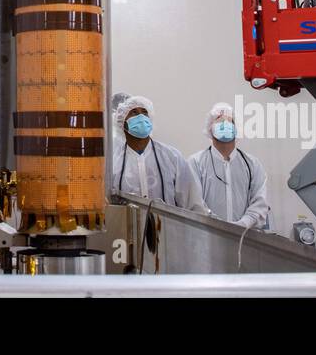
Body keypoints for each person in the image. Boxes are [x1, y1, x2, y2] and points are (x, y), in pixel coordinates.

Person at [111, 94, 206, 273]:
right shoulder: (113, 162)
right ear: (122, 123)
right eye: (134, 113)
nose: (141, 117)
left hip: (169, 242)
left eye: (144, 112)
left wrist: (195, 244)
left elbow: (193, 203)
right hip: (127, 243)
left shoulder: (172, 157)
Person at [187, 102, 270, 230]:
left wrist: (244, 224)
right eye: (219, 121)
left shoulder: (252, 164)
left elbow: (260, 203)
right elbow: (195, 203)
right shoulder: (196, 163)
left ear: (236, 129)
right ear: (210, 129)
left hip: (245, 238)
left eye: (230, 121)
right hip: (208, 236)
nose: (225, 124)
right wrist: (219, 226)